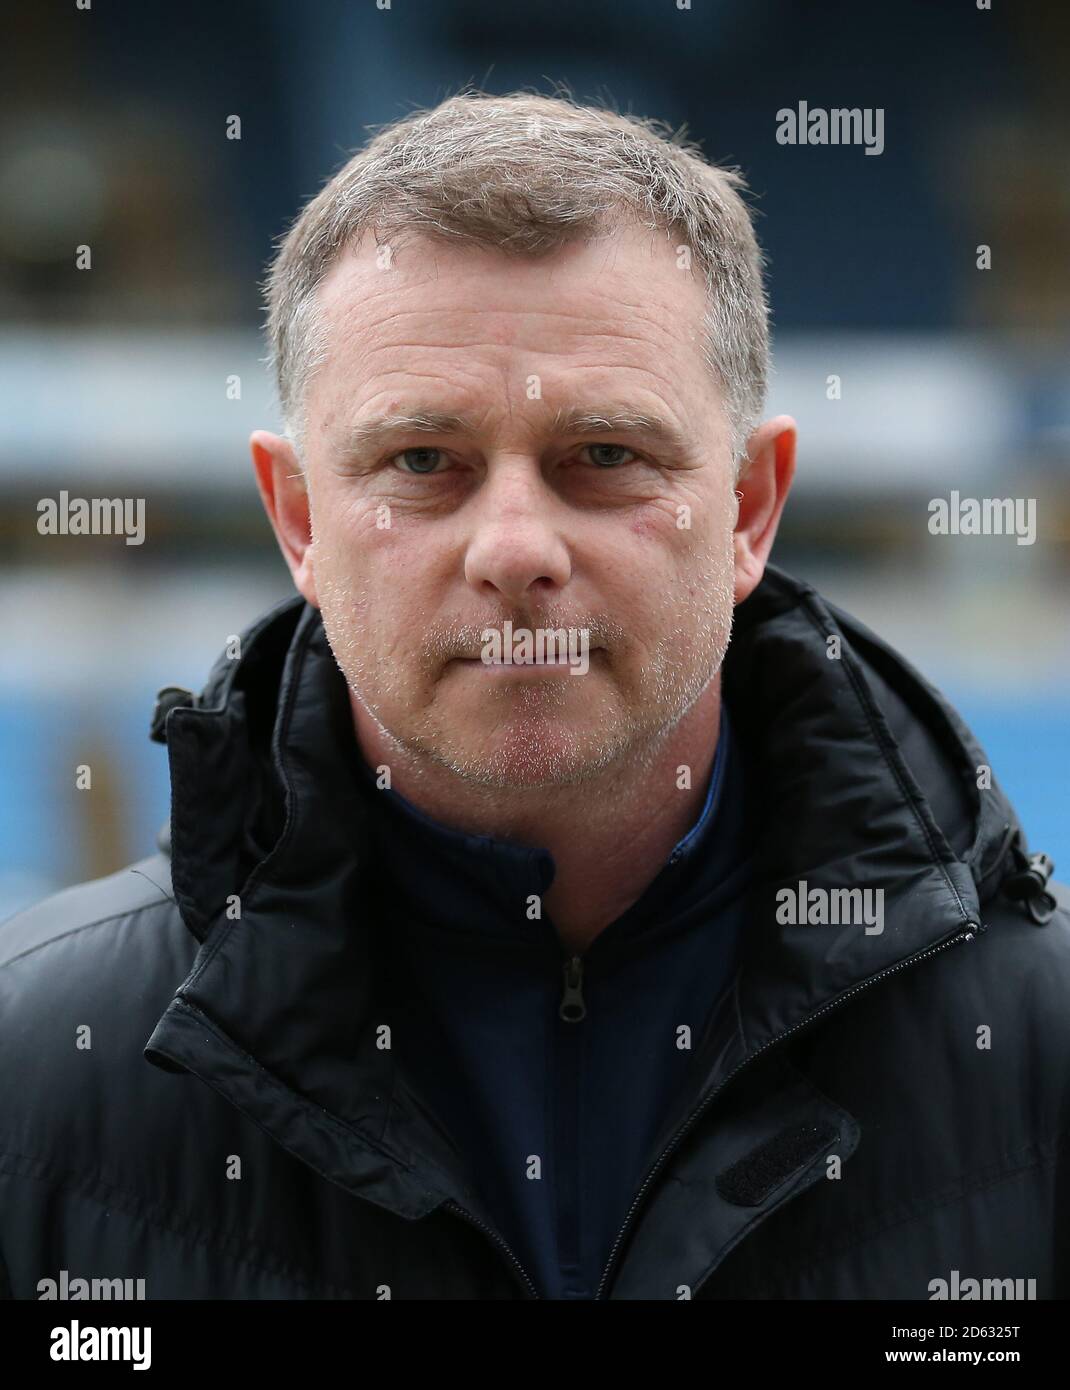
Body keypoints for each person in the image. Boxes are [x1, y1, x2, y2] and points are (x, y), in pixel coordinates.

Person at [2, 90, 1067, 1302]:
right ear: (297, 518)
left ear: (749, 506)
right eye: (421, 462)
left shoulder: (1036, 1062)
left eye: (603, 456)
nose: (514, 546)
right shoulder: (32, 1079)